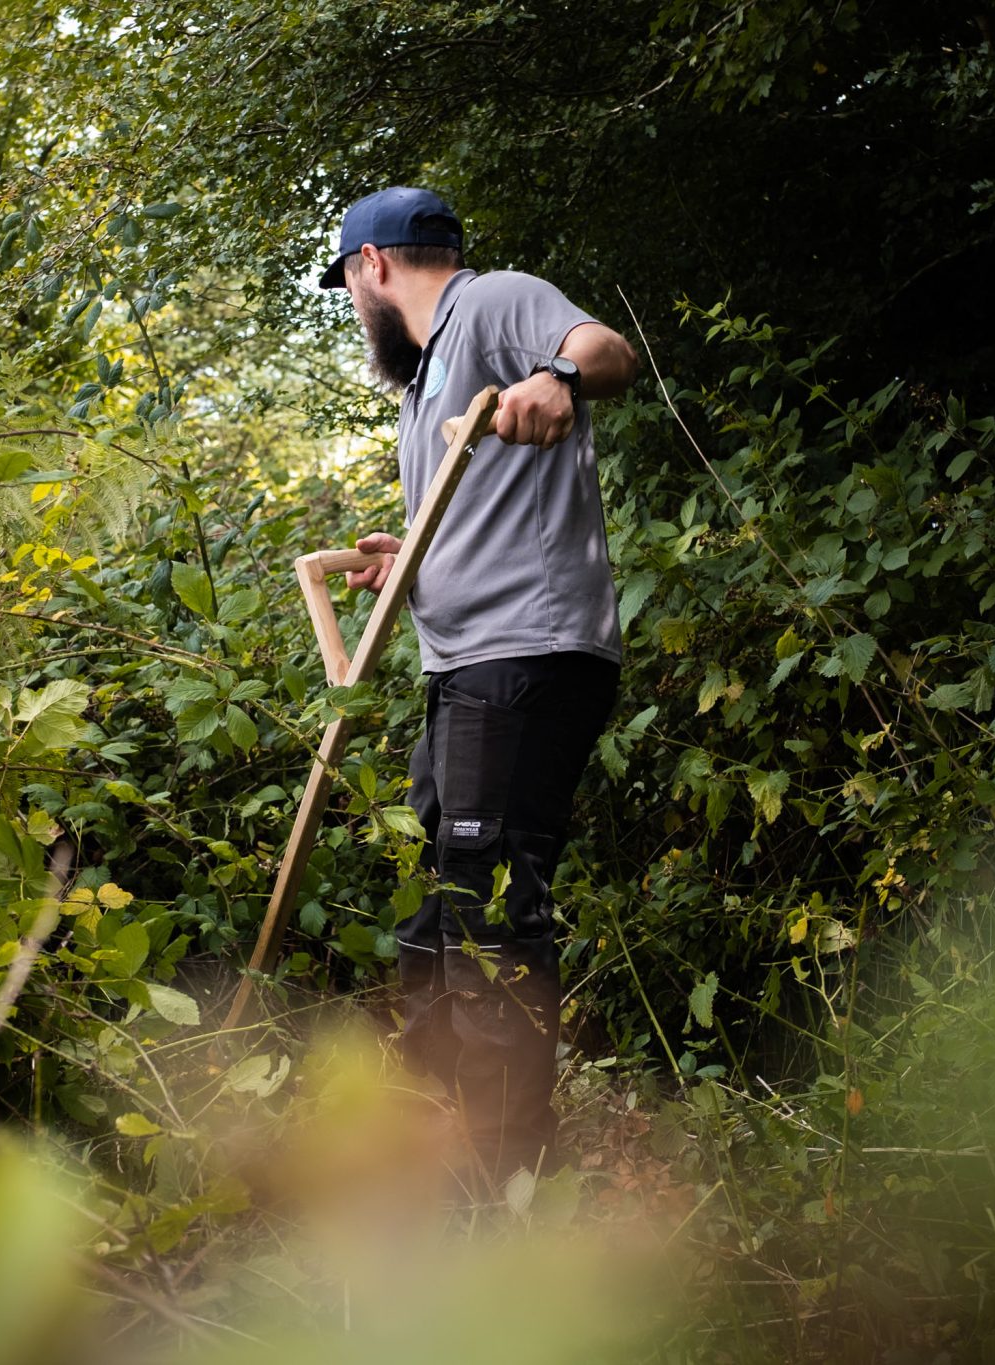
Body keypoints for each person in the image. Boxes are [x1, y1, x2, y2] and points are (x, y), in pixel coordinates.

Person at [320, 186, 638, 1182]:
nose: (352, 304)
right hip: (461, 672)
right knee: (436, 909)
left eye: (346, 285)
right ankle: (430, 1148)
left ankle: (504, 1186)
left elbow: (607, 349)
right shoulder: (425, 391)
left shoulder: (490, 301)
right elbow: (477, 514)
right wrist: (404, 555)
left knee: (485, 915)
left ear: (371, 265)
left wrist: (555, 376)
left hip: (522, 657)